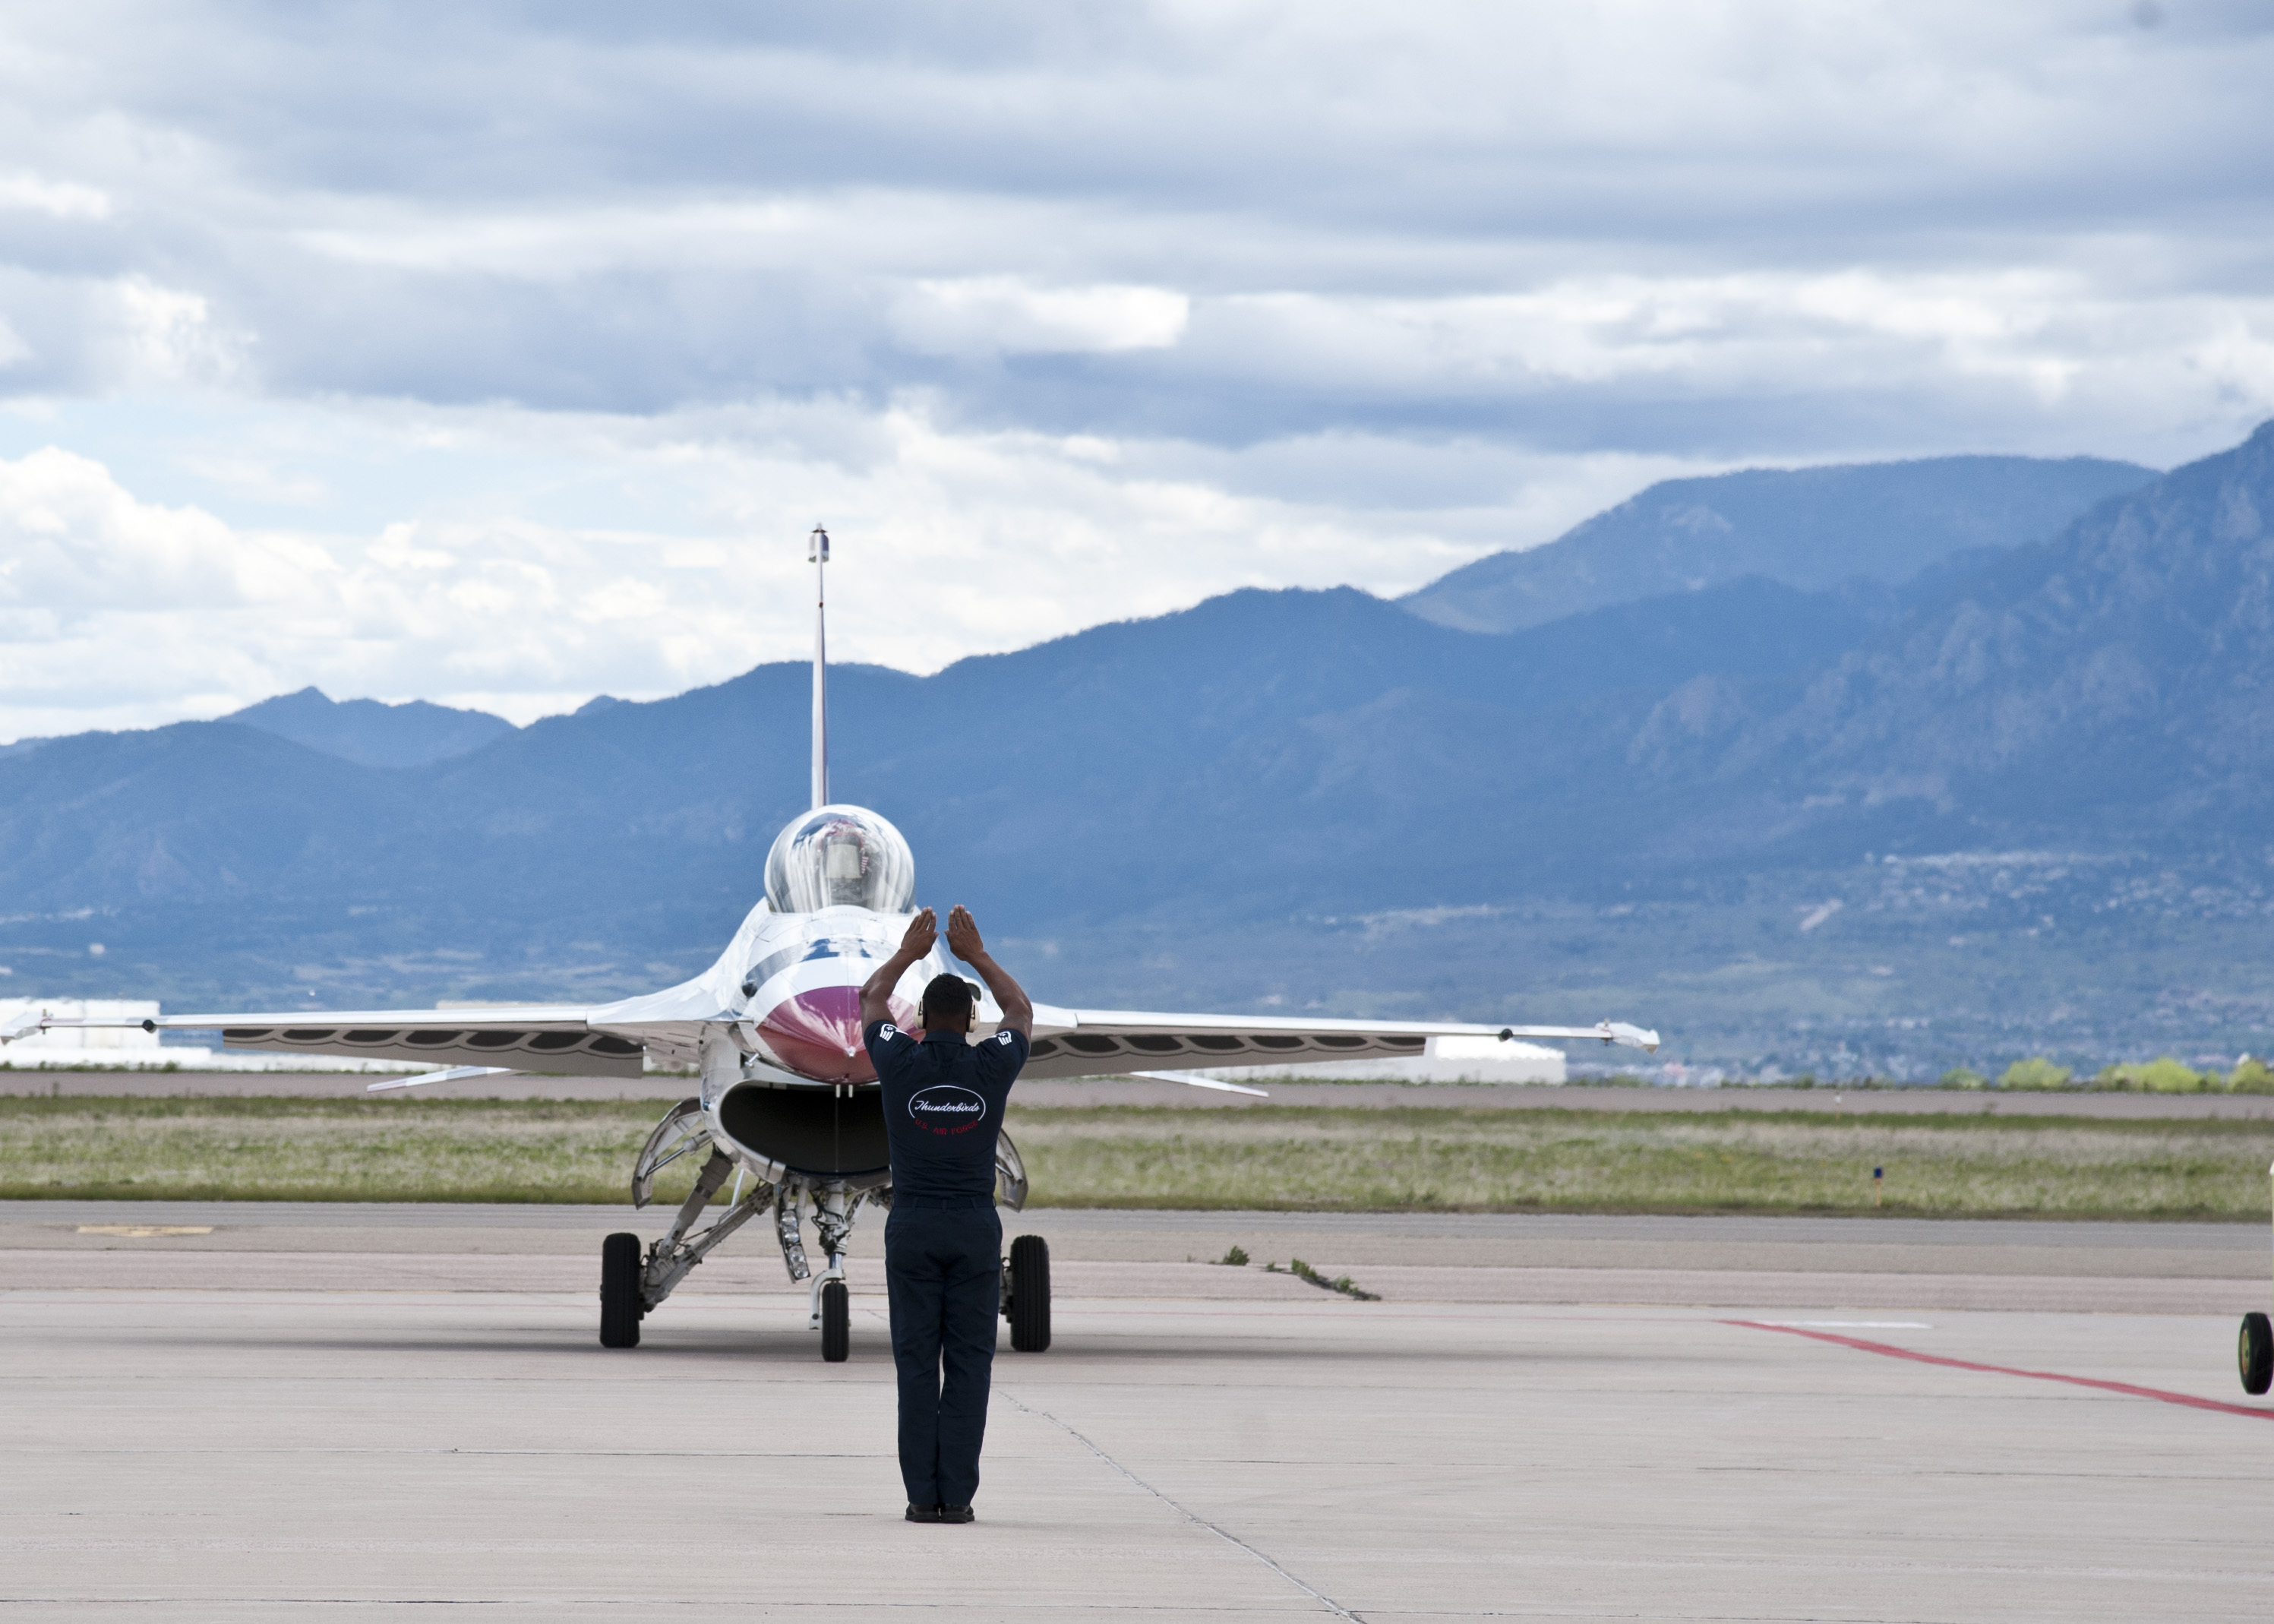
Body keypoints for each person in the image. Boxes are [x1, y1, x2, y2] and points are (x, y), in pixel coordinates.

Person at [858, 903, 1032, 1525]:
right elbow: (1021, 1012)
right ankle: (956, 1498)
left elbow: (870, 999)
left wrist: (908, 954)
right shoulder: (991, 1063)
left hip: (912, 1225)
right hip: (972, 1226)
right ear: (971, 1021)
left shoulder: (898, 1061)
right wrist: (976, 955)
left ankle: (919, 1497)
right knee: (968, 1365)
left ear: (922, 1019)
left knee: (915, 1365)